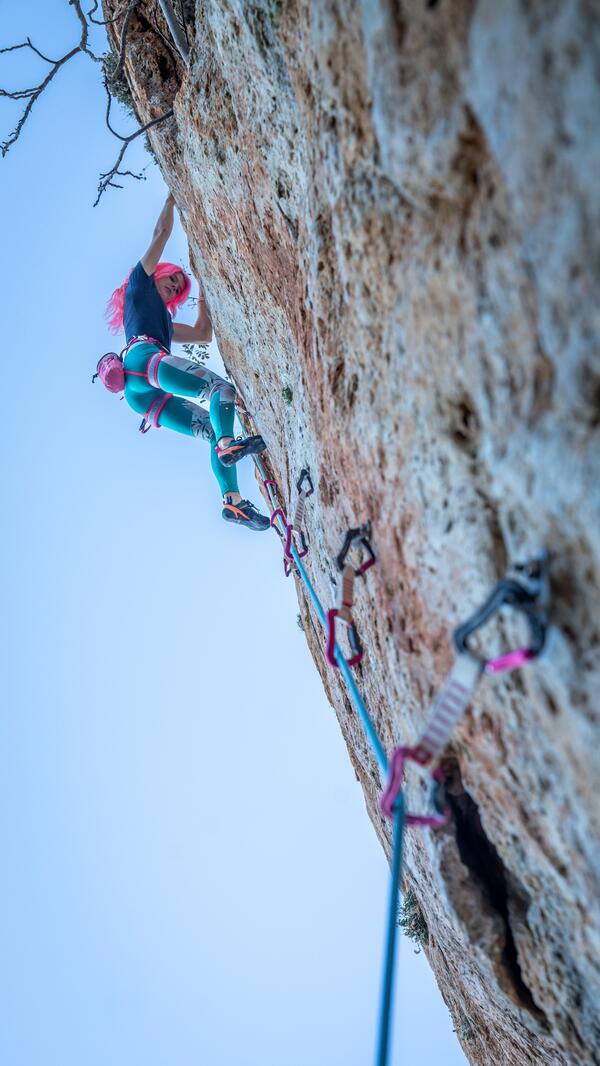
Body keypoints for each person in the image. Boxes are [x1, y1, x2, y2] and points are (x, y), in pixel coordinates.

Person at [97, 192, 270, 531]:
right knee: (219, 389)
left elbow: (203, 333)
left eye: (177, 287)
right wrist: (170, 200)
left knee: (209, 429)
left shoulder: (160, 321)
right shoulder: (138, 285)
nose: (173, 286)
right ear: (156, 274)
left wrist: (205, 287)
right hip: (143, 360)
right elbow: (160, 235)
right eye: (171, 279)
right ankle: (227, 445)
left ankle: (233, 503)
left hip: (140, 394)